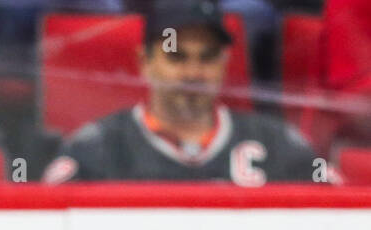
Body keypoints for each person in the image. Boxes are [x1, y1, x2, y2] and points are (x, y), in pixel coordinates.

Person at [43, 0, 332, 184]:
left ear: (225, 62)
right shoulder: (95, 151)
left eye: (207, 57)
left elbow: (346, 224)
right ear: (145, 62)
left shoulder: (279, 146)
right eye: (177, 57)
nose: (193, 72)